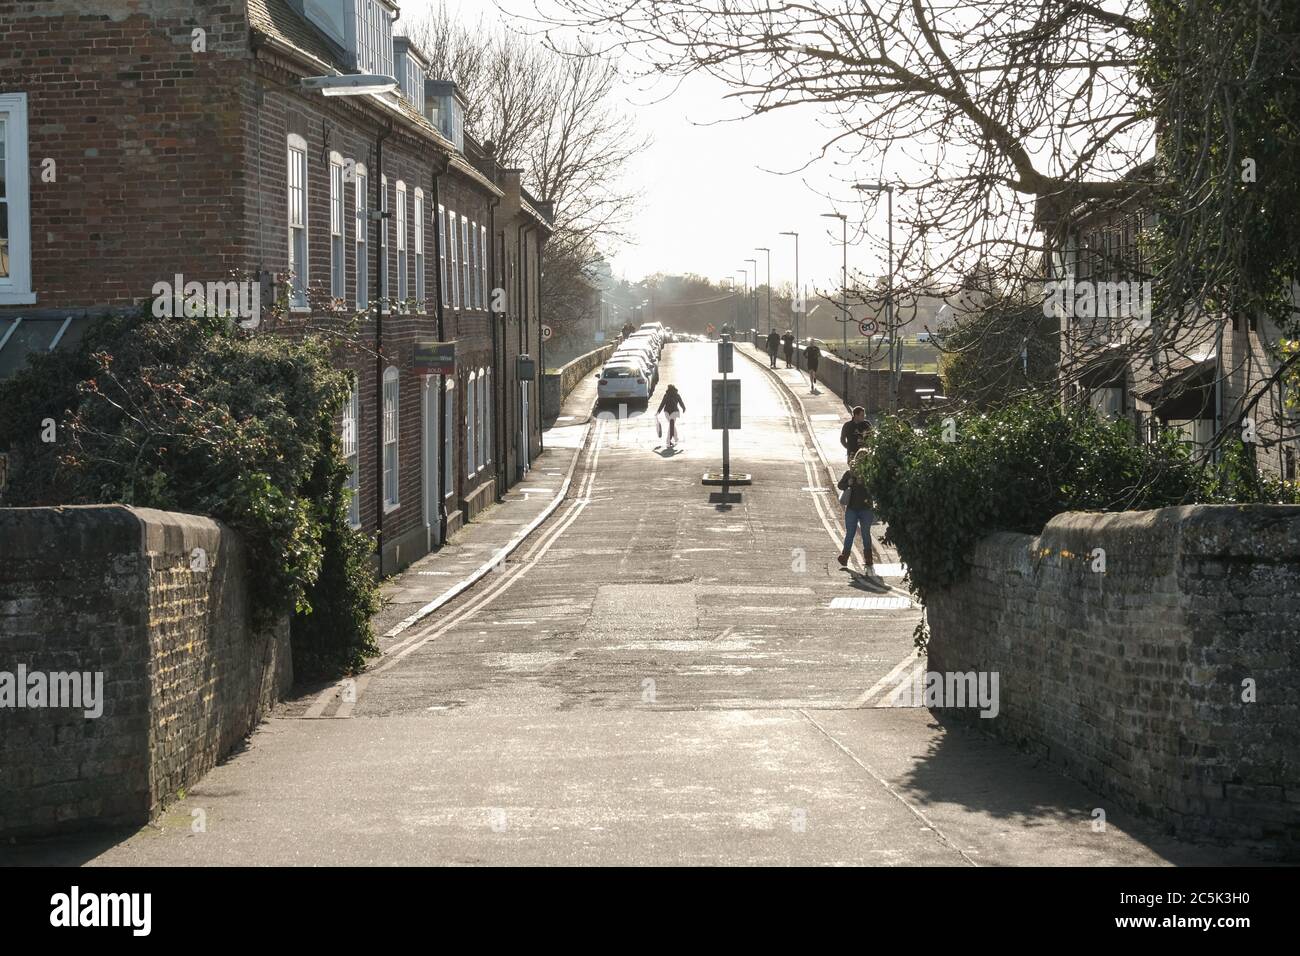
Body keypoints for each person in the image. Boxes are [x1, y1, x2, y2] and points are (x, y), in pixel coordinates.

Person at [837, 449, 877, 571]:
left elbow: (876, 489)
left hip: (866, 509)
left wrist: (866, 483)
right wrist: (848, 483)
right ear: (856, 459)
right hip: (852, 509)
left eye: (865, 458)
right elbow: (840, 485)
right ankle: (845, 556)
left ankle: (868, 558)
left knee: (865, 533)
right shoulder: (850, 473)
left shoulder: (870, 473)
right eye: (860, 457)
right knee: (850, 533)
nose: (862, 460)